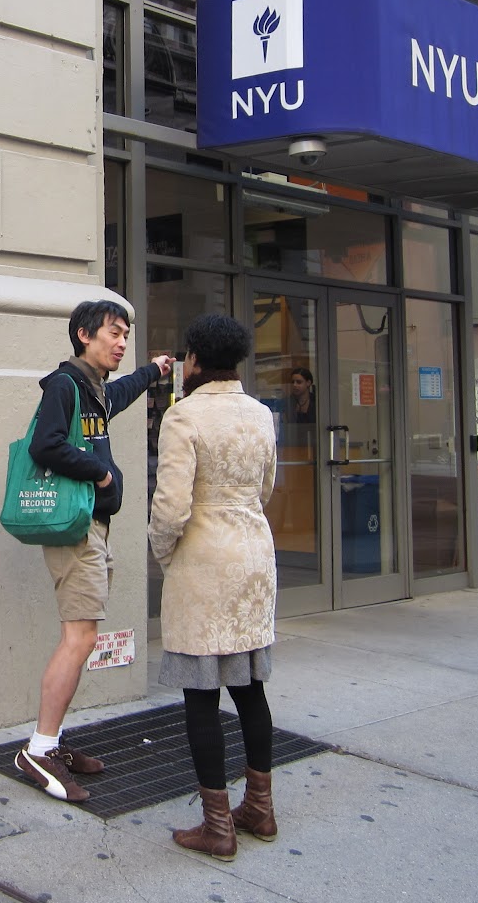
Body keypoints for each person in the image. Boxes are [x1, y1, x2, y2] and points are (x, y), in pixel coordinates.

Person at [14, 299, 172, 803]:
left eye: (125, 334)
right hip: (78, 528)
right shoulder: (65, 385)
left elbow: (122, 392)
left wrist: (154, 370)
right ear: (84, 335)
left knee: (81, 636)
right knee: (79, 639)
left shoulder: (95, 389)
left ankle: (52, 741)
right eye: (113, 332)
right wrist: (100, 473)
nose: (121, 341)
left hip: (93, 527)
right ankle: (38, 749)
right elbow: (45, 445)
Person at [148, 312, 279, 860]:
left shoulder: (184, 417)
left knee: (201, 693)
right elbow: (267, 485)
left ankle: (217, 824)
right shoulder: (260, 414)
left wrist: (163, 552)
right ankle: (261, 808)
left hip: (203, 559)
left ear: (195, 361)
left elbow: (171, 506)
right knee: (249, 687)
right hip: (254, 553)